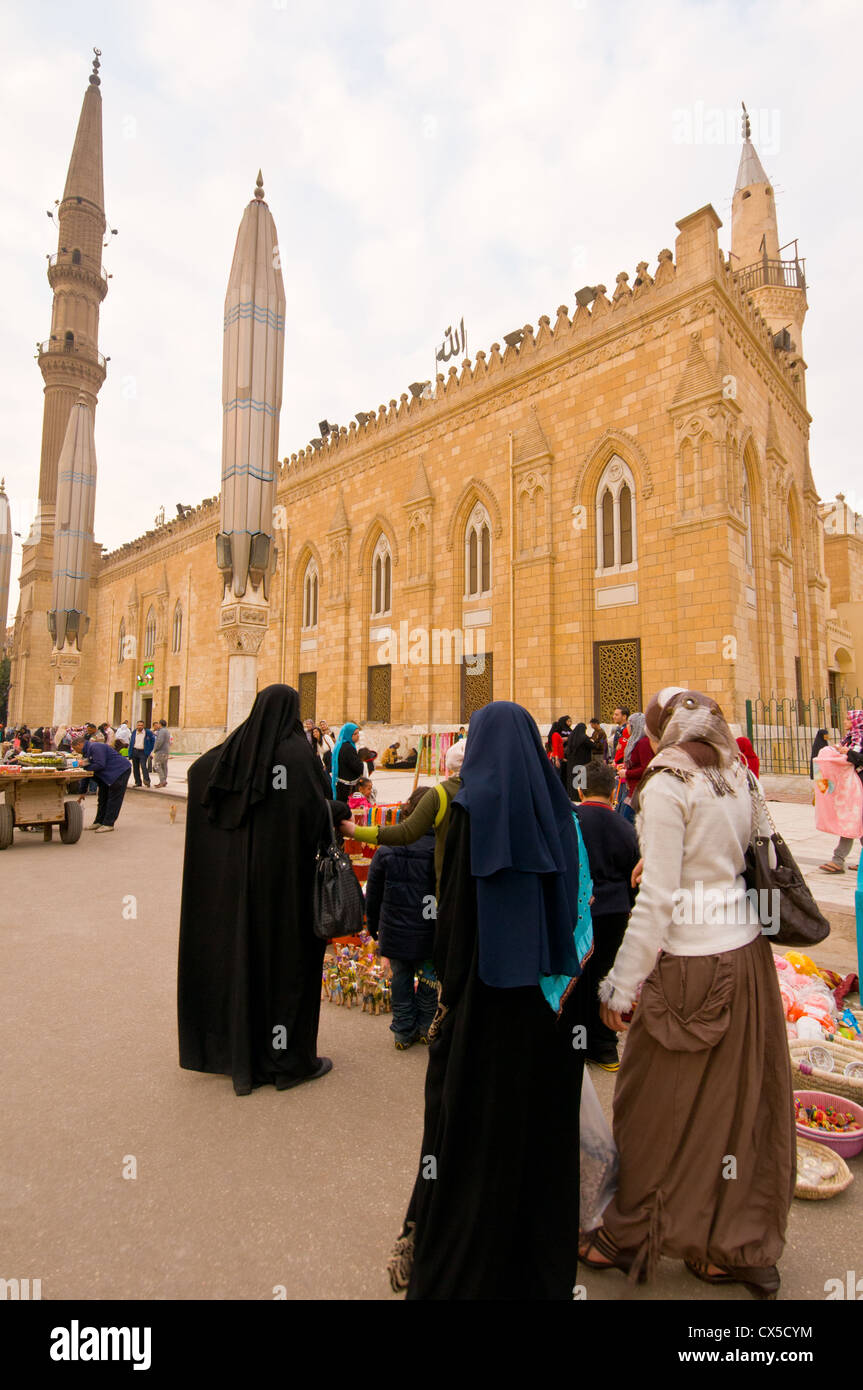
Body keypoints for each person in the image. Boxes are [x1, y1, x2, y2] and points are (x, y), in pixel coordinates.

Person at [581, 687, 795, 1301]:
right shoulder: (737, 773)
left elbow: (660, 898)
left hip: (691, 968)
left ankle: (627, 1236)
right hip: (747, 957)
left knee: (653, 1105)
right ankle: (736, 1247)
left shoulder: (667, 781)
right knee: (737, 1110)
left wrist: (620, 986)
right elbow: (742, 859)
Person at [387, 701, 593, 1300]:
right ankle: (536, 1272)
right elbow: (579, 924)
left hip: (482, 1013)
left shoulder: (474, 813)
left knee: (471, 1139)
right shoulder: (563, 815)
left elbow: (453, 928)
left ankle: (461, 1268)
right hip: (549, 1014)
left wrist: (444, 995)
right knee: (540, 1142)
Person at [177, 684, 348, 1095]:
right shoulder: (295, 755)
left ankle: (240, 1051)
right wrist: (340, 811)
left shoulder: (238, 751)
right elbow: (315, 811)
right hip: (287, 891)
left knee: (245, 961)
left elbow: (202, 774)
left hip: (243, 891)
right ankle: (287, 1060)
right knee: (286, 968)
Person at [574, 760, 640, 1071]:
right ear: (614, 790)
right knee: (605, 976)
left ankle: (578, 1043)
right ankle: (605, 1048)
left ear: (579, 787)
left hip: (582, 912)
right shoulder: (627, 827)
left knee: (578, 979)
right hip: (615, 913)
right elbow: (635, 875)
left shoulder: (572, 819)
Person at [343, 741, 465, 898]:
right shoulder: (494, 790)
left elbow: (406, 832)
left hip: (446, 893)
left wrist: (355, 831)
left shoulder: (440, 794)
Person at [365, 787, 437, 1050]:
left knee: (401, 978)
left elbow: (373, 894)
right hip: (428, 929)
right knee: (428, 978)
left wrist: (373, 927)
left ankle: (403, 1031)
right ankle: (426, 1026)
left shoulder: (387, 849)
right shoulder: (439, 848)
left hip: (394, 929)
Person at [819, 709, 863, 874]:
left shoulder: (861, 738)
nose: (844, 722)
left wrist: (848, 753)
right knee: (853, 822)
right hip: (851, 787)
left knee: (851, 822)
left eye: (847, 719)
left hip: (860, 785)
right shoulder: (849, 738)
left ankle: (838, 860)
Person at [72, 736, 132, 832]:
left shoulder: (95, 747)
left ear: (80, 744)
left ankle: (108, 823)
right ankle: (99, 821)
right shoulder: (86, 753)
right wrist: (82, 791)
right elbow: (86, 773)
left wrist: (84, 766)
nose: (76, 751)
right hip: (106, 776)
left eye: (75, 749)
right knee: (102, 797)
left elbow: (100, 764)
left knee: (113, 799)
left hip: (119, 771)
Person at [620, 711, 650, 823]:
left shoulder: (643, 743)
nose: (627, 726)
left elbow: (646, 768)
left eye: (629, 724)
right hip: (633, 790)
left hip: (638, 792)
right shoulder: (637, 742)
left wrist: (627, 773)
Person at [330, 722, 366, 801]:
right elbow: (357, 767)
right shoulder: (348, 748)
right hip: (347, 788)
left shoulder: (341, 745)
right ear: (349, 735)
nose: (358, 735)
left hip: (341, 785)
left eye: (358, 733)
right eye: (355, 734)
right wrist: (366, 764)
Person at [563, 720, 593, 799]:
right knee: (581, 780)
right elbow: (593, 746)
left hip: (572, 761)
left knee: (572, 778)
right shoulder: (584, 737)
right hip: (582, 761)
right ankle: (580, 796)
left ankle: (572, 796)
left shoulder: (572, 736)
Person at [128, 720, 155, 787]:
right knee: (135, 767)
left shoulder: (147, 732)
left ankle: (147, 781)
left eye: (141, 725)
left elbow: (153, 741)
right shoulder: (134, 732)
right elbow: (131, 742)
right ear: (137, 726)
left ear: (143, 726)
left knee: (143, 766)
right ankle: (138, 782)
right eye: (138, 725)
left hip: (143, 752)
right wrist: (130, 752)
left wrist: (149, 750)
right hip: (135, 751)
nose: (140, 727)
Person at [152, 719, 171, 787]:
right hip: (166, 751)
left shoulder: (161, 731)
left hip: (160, 751)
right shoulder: (167, 731)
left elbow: (159, 741)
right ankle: (164, 780)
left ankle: (162, 781)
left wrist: (155, 749)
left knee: (157, 766)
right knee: (164, 766)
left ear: (160, 724)